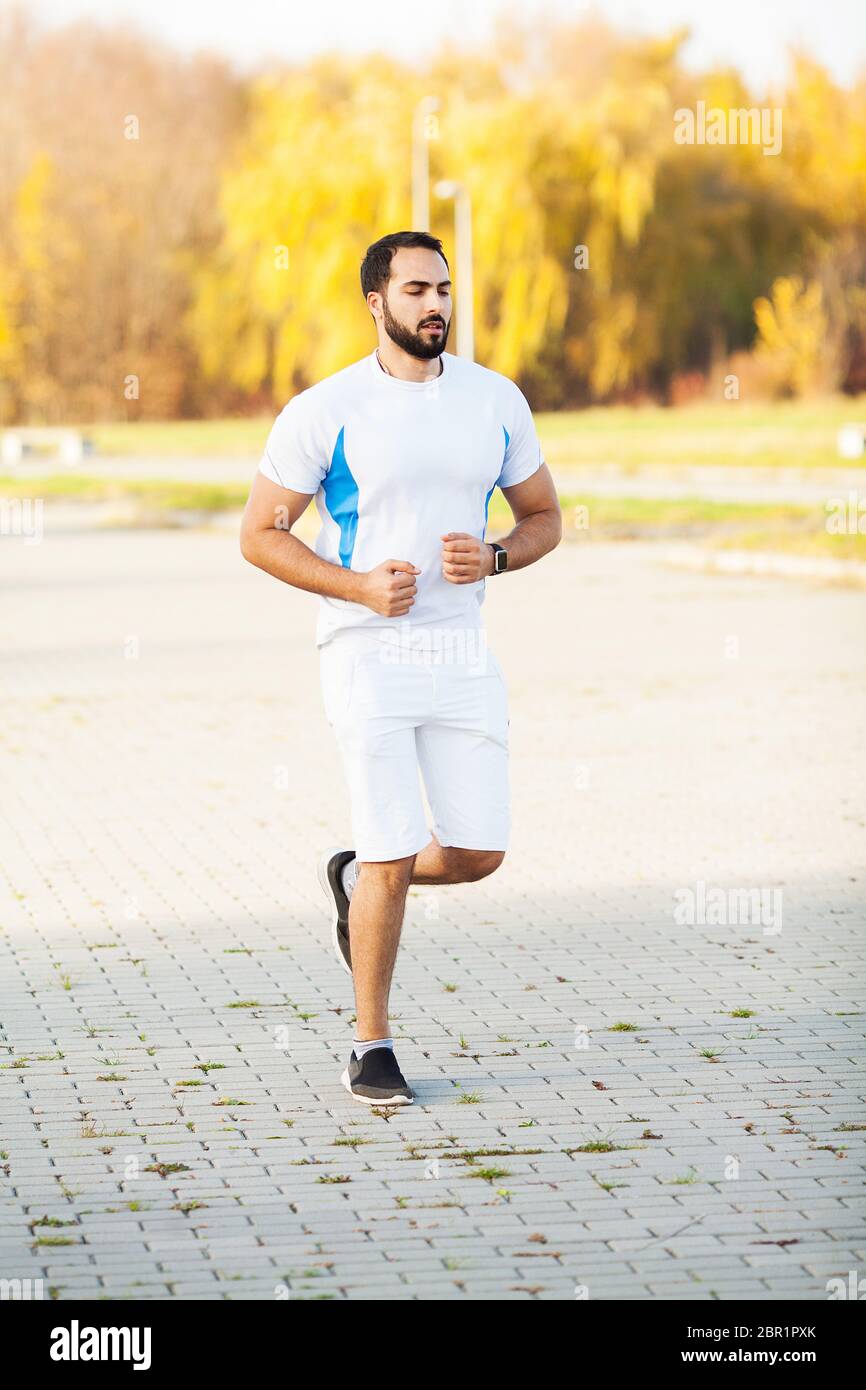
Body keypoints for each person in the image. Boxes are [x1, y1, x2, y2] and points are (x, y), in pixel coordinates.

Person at [241, 230, 561, 1104]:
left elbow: (543, 516)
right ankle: (369, 1045)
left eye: (445, 289)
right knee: (391, 844)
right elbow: (258, 535)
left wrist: (494, 558)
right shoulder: (325, 410)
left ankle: (352, 877)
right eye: (417, 289)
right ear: (376, 303)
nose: (436, 305)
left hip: (462, 648)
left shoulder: (495, 400)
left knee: (475, 851)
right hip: (364, 649)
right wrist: (355, 587)